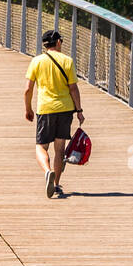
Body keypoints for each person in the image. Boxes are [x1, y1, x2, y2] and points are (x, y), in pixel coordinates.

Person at [24, 28, 84, 199]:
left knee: (41, 146)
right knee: (60, 149)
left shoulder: (36, 61)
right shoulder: (67, 61)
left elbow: (27, 89)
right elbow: (73, 88)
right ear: (58, 42)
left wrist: (28, 109)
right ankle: (56, 184)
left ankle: (47, 171)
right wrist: (79, 111)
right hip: (65, 109)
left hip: (46, 109)